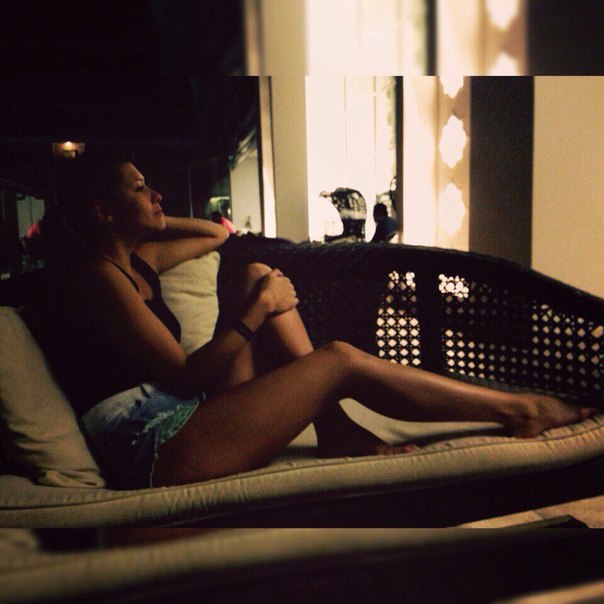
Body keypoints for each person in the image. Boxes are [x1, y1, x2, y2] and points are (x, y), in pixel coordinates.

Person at [40, 152, 595, 490]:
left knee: (254, 270)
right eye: (139, 187)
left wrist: (150, 217)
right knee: (338, 360)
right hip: (147, 444)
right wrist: (259, 310)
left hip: (182, 413)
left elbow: (214, 235)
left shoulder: (139, 260)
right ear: (102, 210)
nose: (156, 192)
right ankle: (519, 410)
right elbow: (186, 376)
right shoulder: (96, 277)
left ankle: (332, 427)